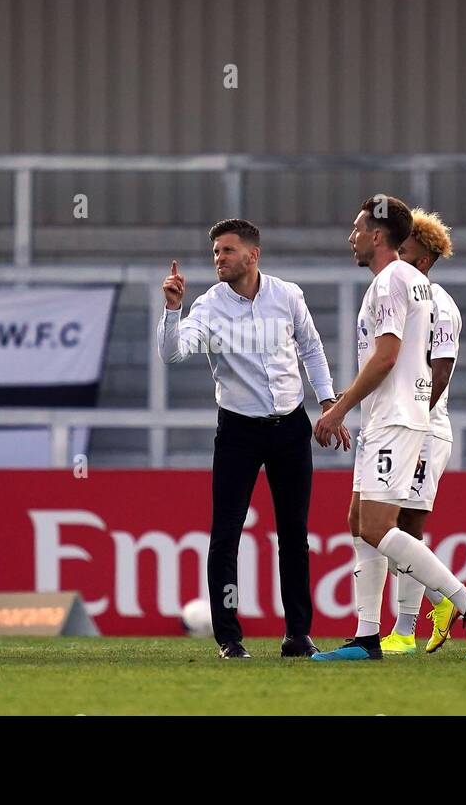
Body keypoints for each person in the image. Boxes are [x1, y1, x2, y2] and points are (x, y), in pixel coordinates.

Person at [312, 195, 466, 662]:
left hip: (394, 418)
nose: (350, 237)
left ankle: (465, 601)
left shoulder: (392, 280)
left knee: (378, 527)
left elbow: (388, 354)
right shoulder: (414, 280)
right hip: (388, 417)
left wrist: (338, 410)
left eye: (356, 230)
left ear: (377, 236)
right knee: (358, 522)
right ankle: (368, 636)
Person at [159, 218, 335, 659]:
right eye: (216, 252)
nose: (219, 259)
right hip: (238, 430)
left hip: (290, 426)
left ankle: (298, 633)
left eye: (227, 251)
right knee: (226, 535)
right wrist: (172, 311)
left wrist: (328, 403)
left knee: (294, 533)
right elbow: (174, 353)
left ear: (253, 255)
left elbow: (311, 348)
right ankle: (229, 639)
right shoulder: (208, 305)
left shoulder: (288, 295)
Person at [378, 208, 461, 656]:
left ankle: (406, 629)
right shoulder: (405, 298)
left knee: (403, 528)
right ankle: (440, 600)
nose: (396, 258)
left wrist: (412, 421)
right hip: (408, 427)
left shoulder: (440, 306)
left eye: (404, 252)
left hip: (426, 431)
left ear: (424, 260)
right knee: (387, 527)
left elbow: (440, 371)